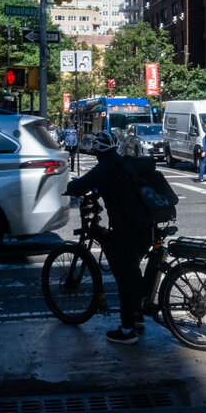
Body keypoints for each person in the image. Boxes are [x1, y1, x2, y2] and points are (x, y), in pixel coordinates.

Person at [64, 130, 152, 345]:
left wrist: (70, 188)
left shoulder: (103, 168)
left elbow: (77, 186)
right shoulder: (123, 164)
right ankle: (137, 316)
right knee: (133, 271)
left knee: (124, 279)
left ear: (97, 151)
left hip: (127, 230)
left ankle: (127, 330)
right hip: (145, 227)